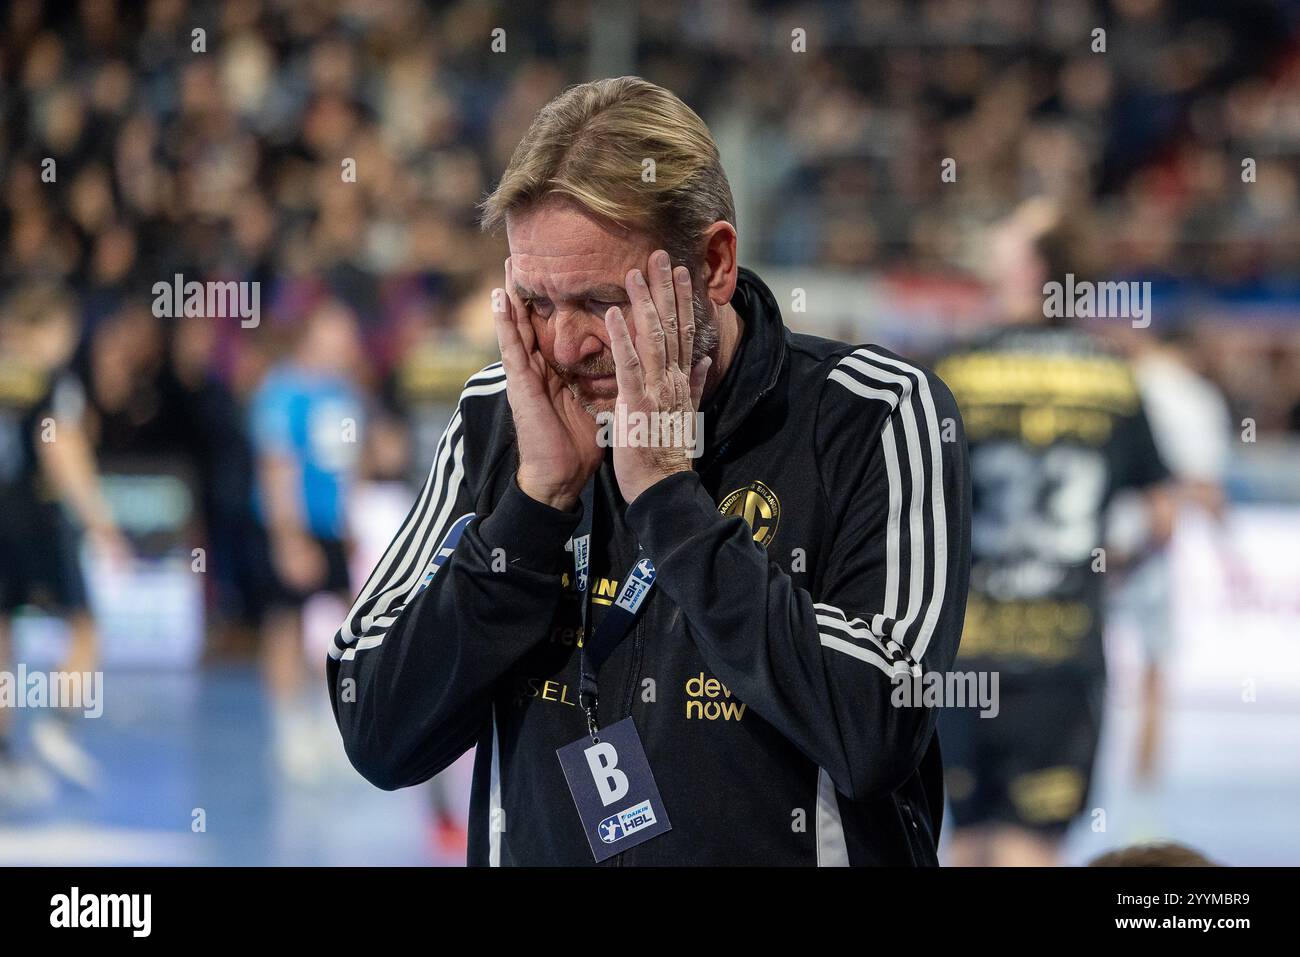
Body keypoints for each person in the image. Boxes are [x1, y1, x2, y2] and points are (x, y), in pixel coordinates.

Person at [329, 77, 971, 866]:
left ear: (715, 263)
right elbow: (375, 729)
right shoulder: (501, 415)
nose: (564, 346)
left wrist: (671, 500)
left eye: (602, 303)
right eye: (536, 303)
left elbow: (877, 729)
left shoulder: (872, 414)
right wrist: (533, 509)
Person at [935, 201, 1171, 866]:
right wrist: (1106, 567)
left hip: (962, 653)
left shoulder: (955, 369)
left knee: (968, 842)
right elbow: (1162, 514)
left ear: (1031, 266)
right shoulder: (1112, 376)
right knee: (1032, 846)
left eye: (1010, 232)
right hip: (1062, 651)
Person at [0, 285, 128, 801]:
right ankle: (57, 727)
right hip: (38, 516)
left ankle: (4, 757)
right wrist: (100, 519)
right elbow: (60, 449)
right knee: (85, 624)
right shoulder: (51, 381)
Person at [249, 300, 365, 783]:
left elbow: (348, 465)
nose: (346, 343)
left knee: (348, 621)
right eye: (337, 332)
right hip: (293, 524)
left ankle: (332, 721)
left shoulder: (345, 393)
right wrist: (289, 538)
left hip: (333, 526)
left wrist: (350, 523)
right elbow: (277, 467)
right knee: (286, 622)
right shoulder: (282, 391)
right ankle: (289, 729)